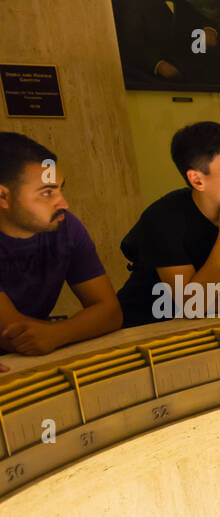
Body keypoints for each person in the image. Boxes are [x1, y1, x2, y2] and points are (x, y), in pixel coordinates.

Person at [117, 123, 220, 326]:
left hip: (202, 323)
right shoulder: (163, 217)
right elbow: (192, 305)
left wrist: (202, 305)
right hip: (142, 325)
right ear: (197, 180)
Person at [0, 133, 122, 359]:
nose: (63, 203)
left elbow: (111, 311)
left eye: (60, 189)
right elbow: (13, 334)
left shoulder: (66, 226)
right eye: (47, 193)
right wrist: (62, 332)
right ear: (3, 197)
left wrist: (56, 334)